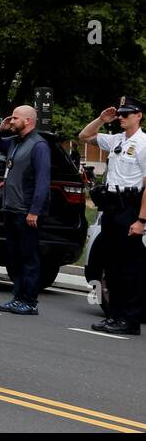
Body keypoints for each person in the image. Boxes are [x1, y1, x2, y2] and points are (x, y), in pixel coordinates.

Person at [78, 97, 146, 335]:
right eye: (120, 114)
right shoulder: (116, 140)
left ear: (139, 115)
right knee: (112, 266)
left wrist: (141, 220)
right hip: (111, 207)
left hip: (130, 206)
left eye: (126, 114)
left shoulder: (143, 144)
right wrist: (100, 119)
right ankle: (115, 316)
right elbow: (84, 137)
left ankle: (130, 320)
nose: (121, 118)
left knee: (130, 268)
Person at [0, 105, 50, 315]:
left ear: (28, 121)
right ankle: (18, 296)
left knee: (28, 256)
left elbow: (42, 181)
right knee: (13, 256)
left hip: (26, 211)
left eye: (15, 118)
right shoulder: (15, 141)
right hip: (11, 208)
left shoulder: (38, 145)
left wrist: (35, 210)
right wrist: (1, 128)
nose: (11, 121)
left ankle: (29, 300)